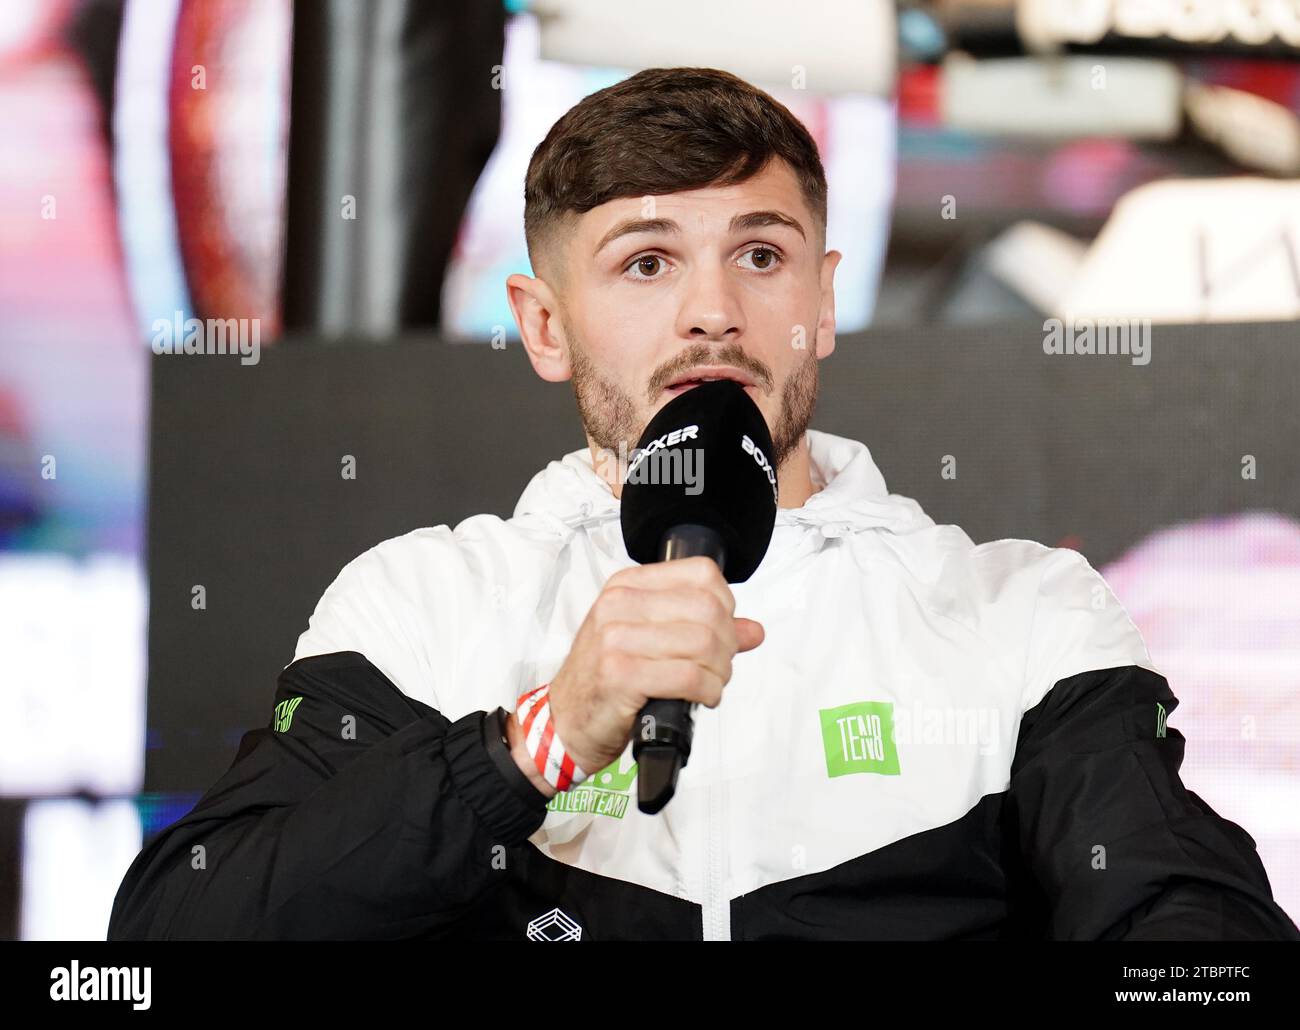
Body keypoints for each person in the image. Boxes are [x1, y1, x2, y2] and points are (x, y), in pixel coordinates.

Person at [107, 67, 1299, 941]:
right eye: (645, 261)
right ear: (540, 324)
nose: (713, 312)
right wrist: (538, 742)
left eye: (761, 255)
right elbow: (171, 936)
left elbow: (1190, 936)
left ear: (824, 305)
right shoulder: (424, 601)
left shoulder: (1018, 612)